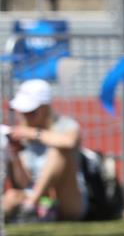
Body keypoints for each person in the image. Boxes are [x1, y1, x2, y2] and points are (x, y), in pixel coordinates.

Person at [3, 79, 85, 222]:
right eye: (23, 111)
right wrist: (15, 155)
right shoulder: (22, 135)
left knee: (59, 150)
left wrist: (33, 133)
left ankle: (31, 205)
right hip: (37, 195)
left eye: (31, 112)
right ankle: (33, 209)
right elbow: (23, 183)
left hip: (67, 199)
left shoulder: (66, 125)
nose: (25, 116)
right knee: (10, 197)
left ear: (45, 107)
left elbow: (69, 142)